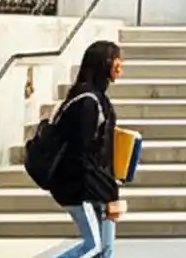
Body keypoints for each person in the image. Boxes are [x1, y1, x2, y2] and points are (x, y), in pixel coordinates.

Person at [49, 40, 123, 258]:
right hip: (81, 187)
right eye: (118, 62)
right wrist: (105, 187)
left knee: (105, 250)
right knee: (94, 246)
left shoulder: (98, 99)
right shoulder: (87, 102)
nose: (120, 68)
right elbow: (82, 153)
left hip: (101, 187)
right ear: (106, 64)